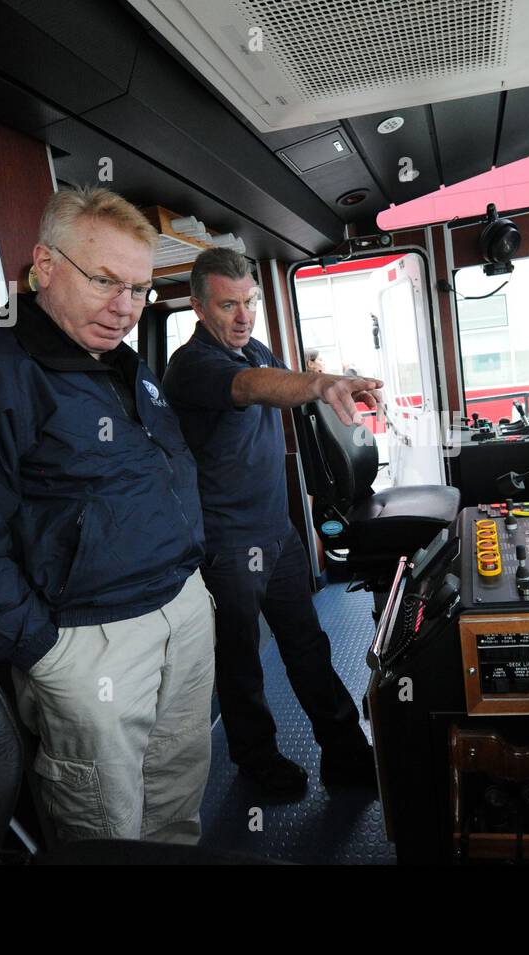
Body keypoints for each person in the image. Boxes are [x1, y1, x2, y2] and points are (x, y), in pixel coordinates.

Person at [0, 186, 215, 843]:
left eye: (138, 288)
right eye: (104, 280)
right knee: (105, 829)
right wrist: (48, 650)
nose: (124, 307)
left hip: (183, 609)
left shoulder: (124, 363)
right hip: (90, 642)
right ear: (43, 264)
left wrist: (194, 589)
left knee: (178, 797)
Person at [163, 247, 380, 797]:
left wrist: (317, 378)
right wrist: (314, 385)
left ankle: (347, 755)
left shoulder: (251, 346)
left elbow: (268, 374)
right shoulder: (194, 366)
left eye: (250, 302)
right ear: (197, 307)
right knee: (240, 665)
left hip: (276, 534)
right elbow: (251, 387)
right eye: (228, 305)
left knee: (308, 644)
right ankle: (257, 765)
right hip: (227, 546)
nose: (243, 317)